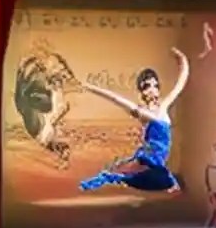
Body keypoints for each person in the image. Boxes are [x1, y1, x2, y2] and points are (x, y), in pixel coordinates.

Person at [79, 47, 189, 193]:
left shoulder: (163, 106)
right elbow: (115, 98)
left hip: (157, 164)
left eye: (155, 85)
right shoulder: (140, 111)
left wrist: (182, 60)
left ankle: (161, 182)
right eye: (147, 86)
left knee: (164, 180)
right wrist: (91, 88)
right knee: (126, 174)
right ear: (142, 91)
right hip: (147, 159)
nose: (152, 89)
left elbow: (180, 84)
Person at [13, 54, 74, 167]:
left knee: (26, 99)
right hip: (41, 123)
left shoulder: (43, 132)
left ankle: (35, 74)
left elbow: (52, 118)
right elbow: (53, 119)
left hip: (40, 124)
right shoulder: (46, 132)